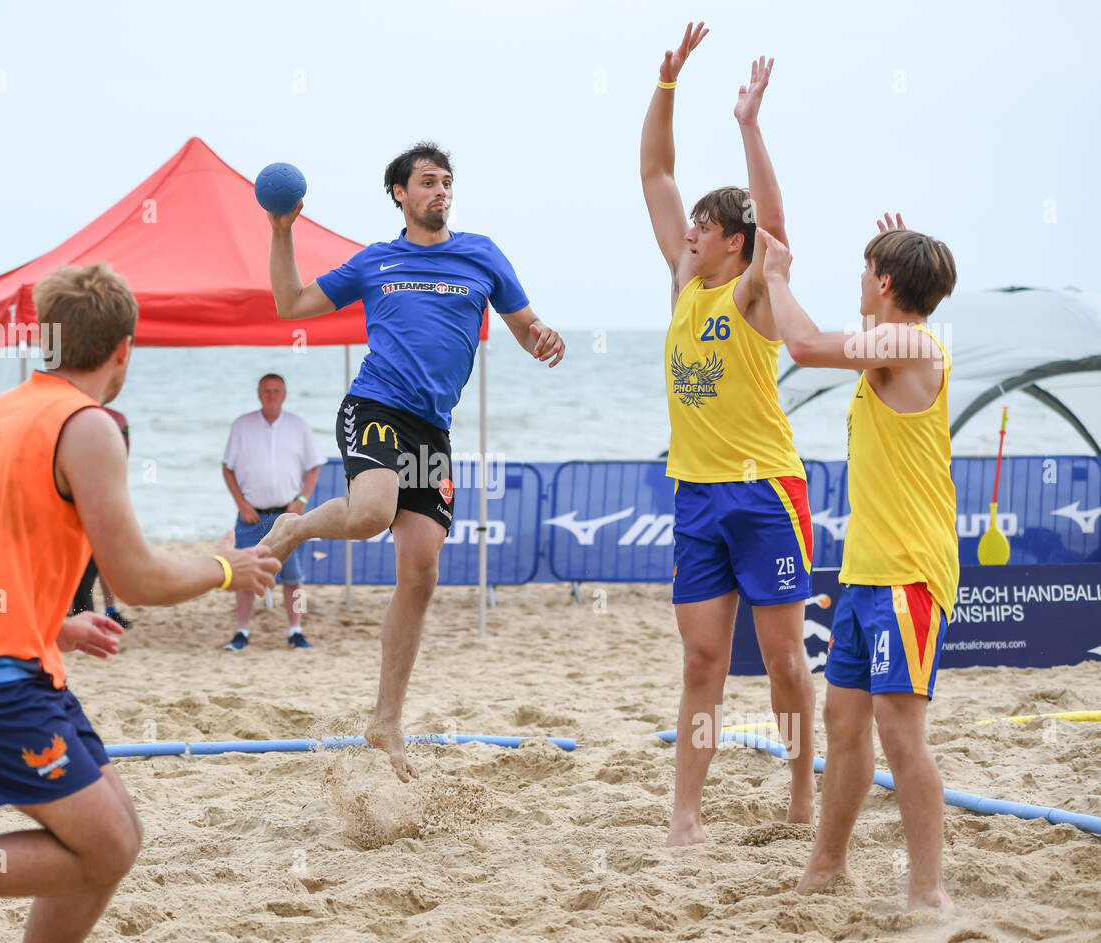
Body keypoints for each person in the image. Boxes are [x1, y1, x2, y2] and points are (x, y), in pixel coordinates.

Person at [0, 264, 280, 943]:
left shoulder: (3, 408)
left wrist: (53, 620)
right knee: (107, 846)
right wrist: (226, 568)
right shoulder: (89, 428)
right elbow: (138, 579)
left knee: (116, 838)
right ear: (124, 350)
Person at [260, 142, 565, 782]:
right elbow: (291, 304)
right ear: (400, 193)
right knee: (373, 512)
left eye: (447, 182)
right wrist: (280, 231)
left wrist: (544, 338)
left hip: (432, 431)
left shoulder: (481, 254)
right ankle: (295, 527)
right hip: (375, 405)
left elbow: (525, 326)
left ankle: (386, 719)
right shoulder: (377, 261)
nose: (440, 191)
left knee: (421, 569)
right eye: (427, 182)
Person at [641, 22, 817, 843]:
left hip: (765, 490)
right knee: (703, 663)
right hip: (698, 496)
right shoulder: (685, 286)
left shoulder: (750, 294)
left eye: (703, 229)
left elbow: (775, 228)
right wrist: (668, 85)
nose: (689, 234)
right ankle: (685, 815)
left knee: (785, 662)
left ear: (733, 243)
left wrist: (749, 126)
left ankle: (800, 795)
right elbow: (655, 172)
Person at [758, 216, 959, 914]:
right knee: (844, 724)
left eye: (866, 270)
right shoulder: (887, 343)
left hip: (909, 574)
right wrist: (902, 254)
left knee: (902, 735)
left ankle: (928, 893)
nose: (857, 281)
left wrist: (777, 276)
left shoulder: (909, 342)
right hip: (865, 573)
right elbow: (840, 338)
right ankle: (827, 867)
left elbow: (806, 346)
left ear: (884, 282)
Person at [221, 373, 325, 650]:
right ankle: (241, 632)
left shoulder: (298, 426)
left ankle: (295, 631)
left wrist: (301, 500)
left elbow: (314, 468)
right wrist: (241, 504)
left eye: (276, 390)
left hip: (287, 518)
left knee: (293, 577)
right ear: (258, 393)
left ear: (284, 393)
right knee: (244, 576)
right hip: (251, 515)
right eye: (266, 390)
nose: (271, 395)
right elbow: (227, 468)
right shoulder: (242, 425)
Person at [70, 406, 132, 628]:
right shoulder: (104, 419)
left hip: (99, 496)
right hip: (87, 497)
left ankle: (108, 609)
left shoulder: (113, 418)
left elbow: (124, 453)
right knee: (86, 571)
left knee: (95, 564)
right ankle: (98, 611)